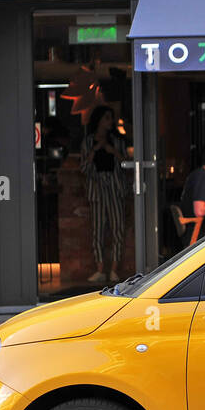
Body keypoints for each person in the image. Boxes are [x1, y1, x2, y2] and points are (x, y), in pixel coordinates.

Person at [83, 105, 128, 284]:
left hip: (115, 188)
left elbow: (126, 164)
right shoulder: (88, 142)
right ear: (99, 120)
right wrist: (95, 151)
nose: (110, 122)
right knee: (98, 230)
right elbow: (84, 167)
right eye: (107, 118)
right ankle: (100, 269)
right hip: (97, 189)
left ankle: (114, 270)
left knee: (118, 228)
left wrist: (113, 151)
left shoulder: (117, 141)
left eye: (111, 118)